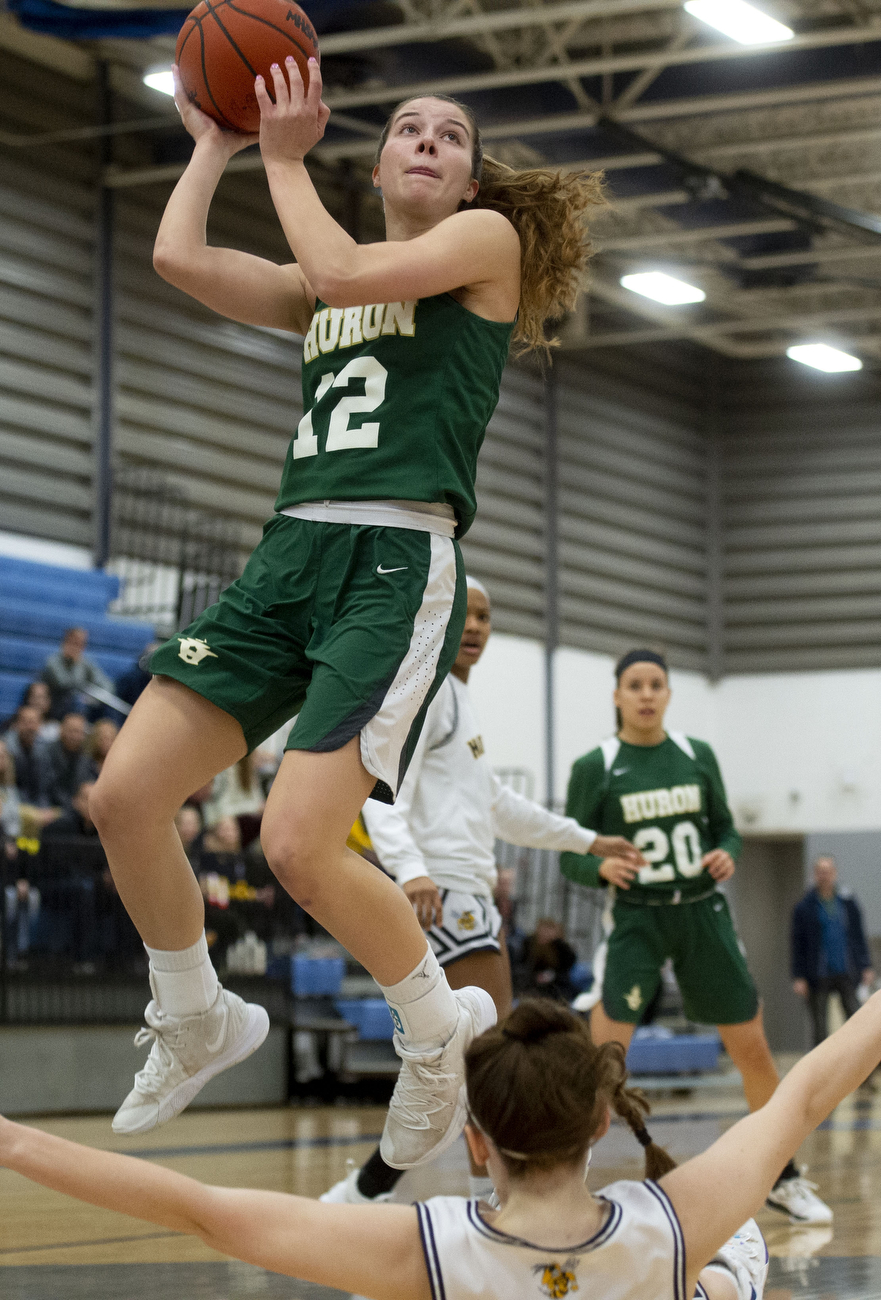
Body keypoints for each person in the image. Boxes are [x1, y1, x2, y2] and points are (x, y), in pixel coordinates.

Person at [88, 52, 603, 1167]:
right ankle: (196, 1012)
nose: (425, 139)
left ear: (467, 183)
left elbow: (333, 267)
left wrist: (279, 161)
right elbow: (178, 256)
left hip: (393, 557)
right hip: (290, 552)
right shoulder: (328, 278)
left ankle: (431, 1034)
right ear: (375, 162)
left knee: (297, 844)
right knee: (125, 796)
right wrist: (216, 143)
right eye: (407, 127)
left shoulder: (481, 247)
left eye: (448, 134)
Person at [12, 990, 881, 1300]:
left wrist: (11, 1142)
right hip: (670, 1262)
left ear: (475, 1140)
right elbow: (804, 1090)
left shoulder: (427, 1250)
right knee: (728, 1266)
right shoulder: (674, 1222)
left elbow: (196, 1211)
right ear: (598, 1121)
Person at [325, 577, 640, 1205]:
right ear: (435, 618)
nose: (474, 627)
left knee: (462, 1060)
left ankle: (375, 1189)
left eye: (486, 617)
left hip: (462, 894)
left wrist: (585, 840)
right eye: (464, 614)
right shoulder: (429, 692)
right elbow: (381, 792)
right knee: (488, 1056)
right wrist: (411, 870)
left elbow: (499, 805)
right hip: (441, 892)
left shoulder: (458, 700)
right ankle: (494, 1194)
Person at [560, 648, 832, 1225]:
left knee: (752, 1048)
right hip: (635, 916)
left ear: (668, 694)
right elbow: (571, 856)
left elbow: (727, 829)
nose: (646, 694)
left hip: (702, 913)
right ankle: (561, 1179)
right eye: (635, 685)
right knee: (605, 1057)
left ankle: (782, 1175)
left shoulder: (695, 754)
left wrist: (727, 855)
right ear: (616, 696)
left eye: (656, 684)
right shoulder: (596, 765)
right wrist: (600, 867)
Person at [792, 854, 874, 1046]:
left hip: (846, 969)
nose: (824, 876)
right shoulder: (804, 907)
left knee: (856, 1019)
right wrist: (799, 976)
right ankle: (822, 1073)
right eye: (820, 872)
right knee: (820, 1028)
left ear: (834, 873)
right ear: (815, 875)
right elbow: (798, 943)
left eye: (828, 871)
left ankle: (864, 1073)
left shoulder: (848, 902)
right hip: (818, 973)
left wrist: (866, 965)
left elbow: (858, 936)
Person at [41, 628, 114, 720]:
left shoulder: (86, 662)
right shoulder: (53, 661)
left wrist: (93, 699)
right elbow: (66, 684)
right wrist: (76, 664)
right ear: (65, 642)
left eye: (81, 644)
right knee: (76, 700)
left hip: (80, 703)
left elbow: (107, 684)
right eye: (74, 643)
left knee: (107, 707)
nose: (77, 648)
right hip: (56, 705)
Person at [4, 705, 57, 830]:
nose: (30, 727)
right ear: (16, 724)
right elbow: (9, 787)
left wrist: (44, 808)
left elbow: (44, 786)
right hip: (11, 804)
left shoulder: (44, 750)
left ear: (40, 725)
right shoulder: (6, 749)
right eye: (26, 722)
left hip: (37, 806)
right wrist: (32, 811)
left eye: (33, 722)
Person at [516, 917, 578, 1001]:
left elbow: (568, 965)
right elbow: (522, 967)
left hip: (555, 990)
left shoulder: (560, 948)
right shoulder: (529, 944)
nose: (545, 934)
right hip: (532, 988)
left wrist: (557, 942)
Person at [47, 713, 93, 811]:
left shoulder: (85, 757)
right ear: (62, 730)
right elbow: (49, 787)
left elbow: (85, 783)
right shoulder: (47, 752)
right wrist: (73, 805)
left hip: (78, 809)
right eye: (72, 731)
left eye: (79, 732)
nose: (75, 736)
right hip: (50, 806)